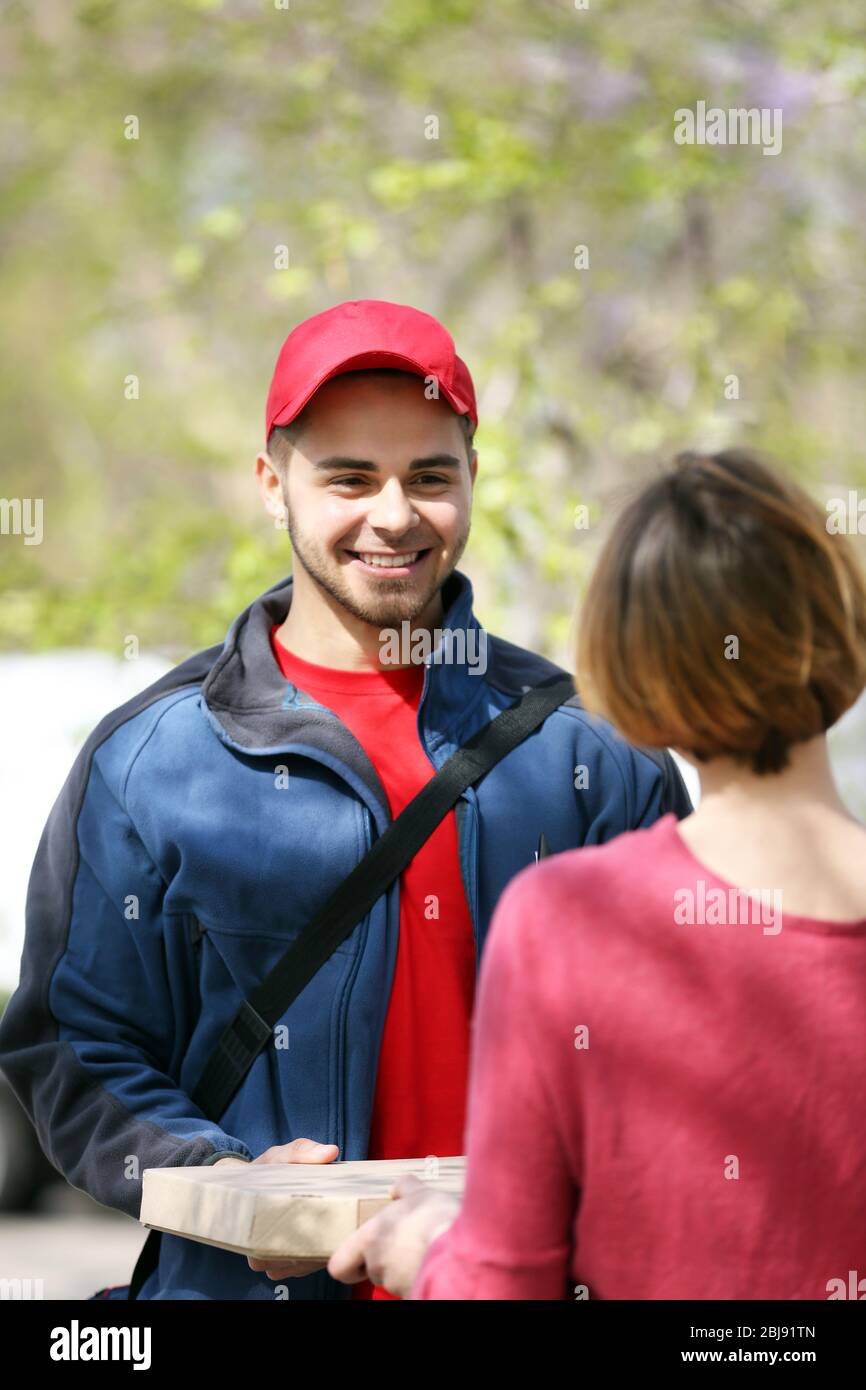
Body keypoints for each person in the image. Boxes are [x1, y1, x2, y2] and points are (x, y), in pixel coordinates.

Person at [0, 300, 690, 1301]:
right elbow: (72, 1041)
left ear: (472, 479)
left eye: (428, 475)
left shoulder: (593, 750)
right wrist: (220, 1183)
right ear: (270, 484)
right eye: (349, 477)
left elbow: (682, 1047)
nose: (393, 514)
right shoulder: (151, 759)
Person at [327, 448, 866, 1300]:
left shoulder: (570, 920)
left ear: (629, 662)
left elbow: (505, 1288)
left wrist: (431, 1248)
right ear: (842, 630)